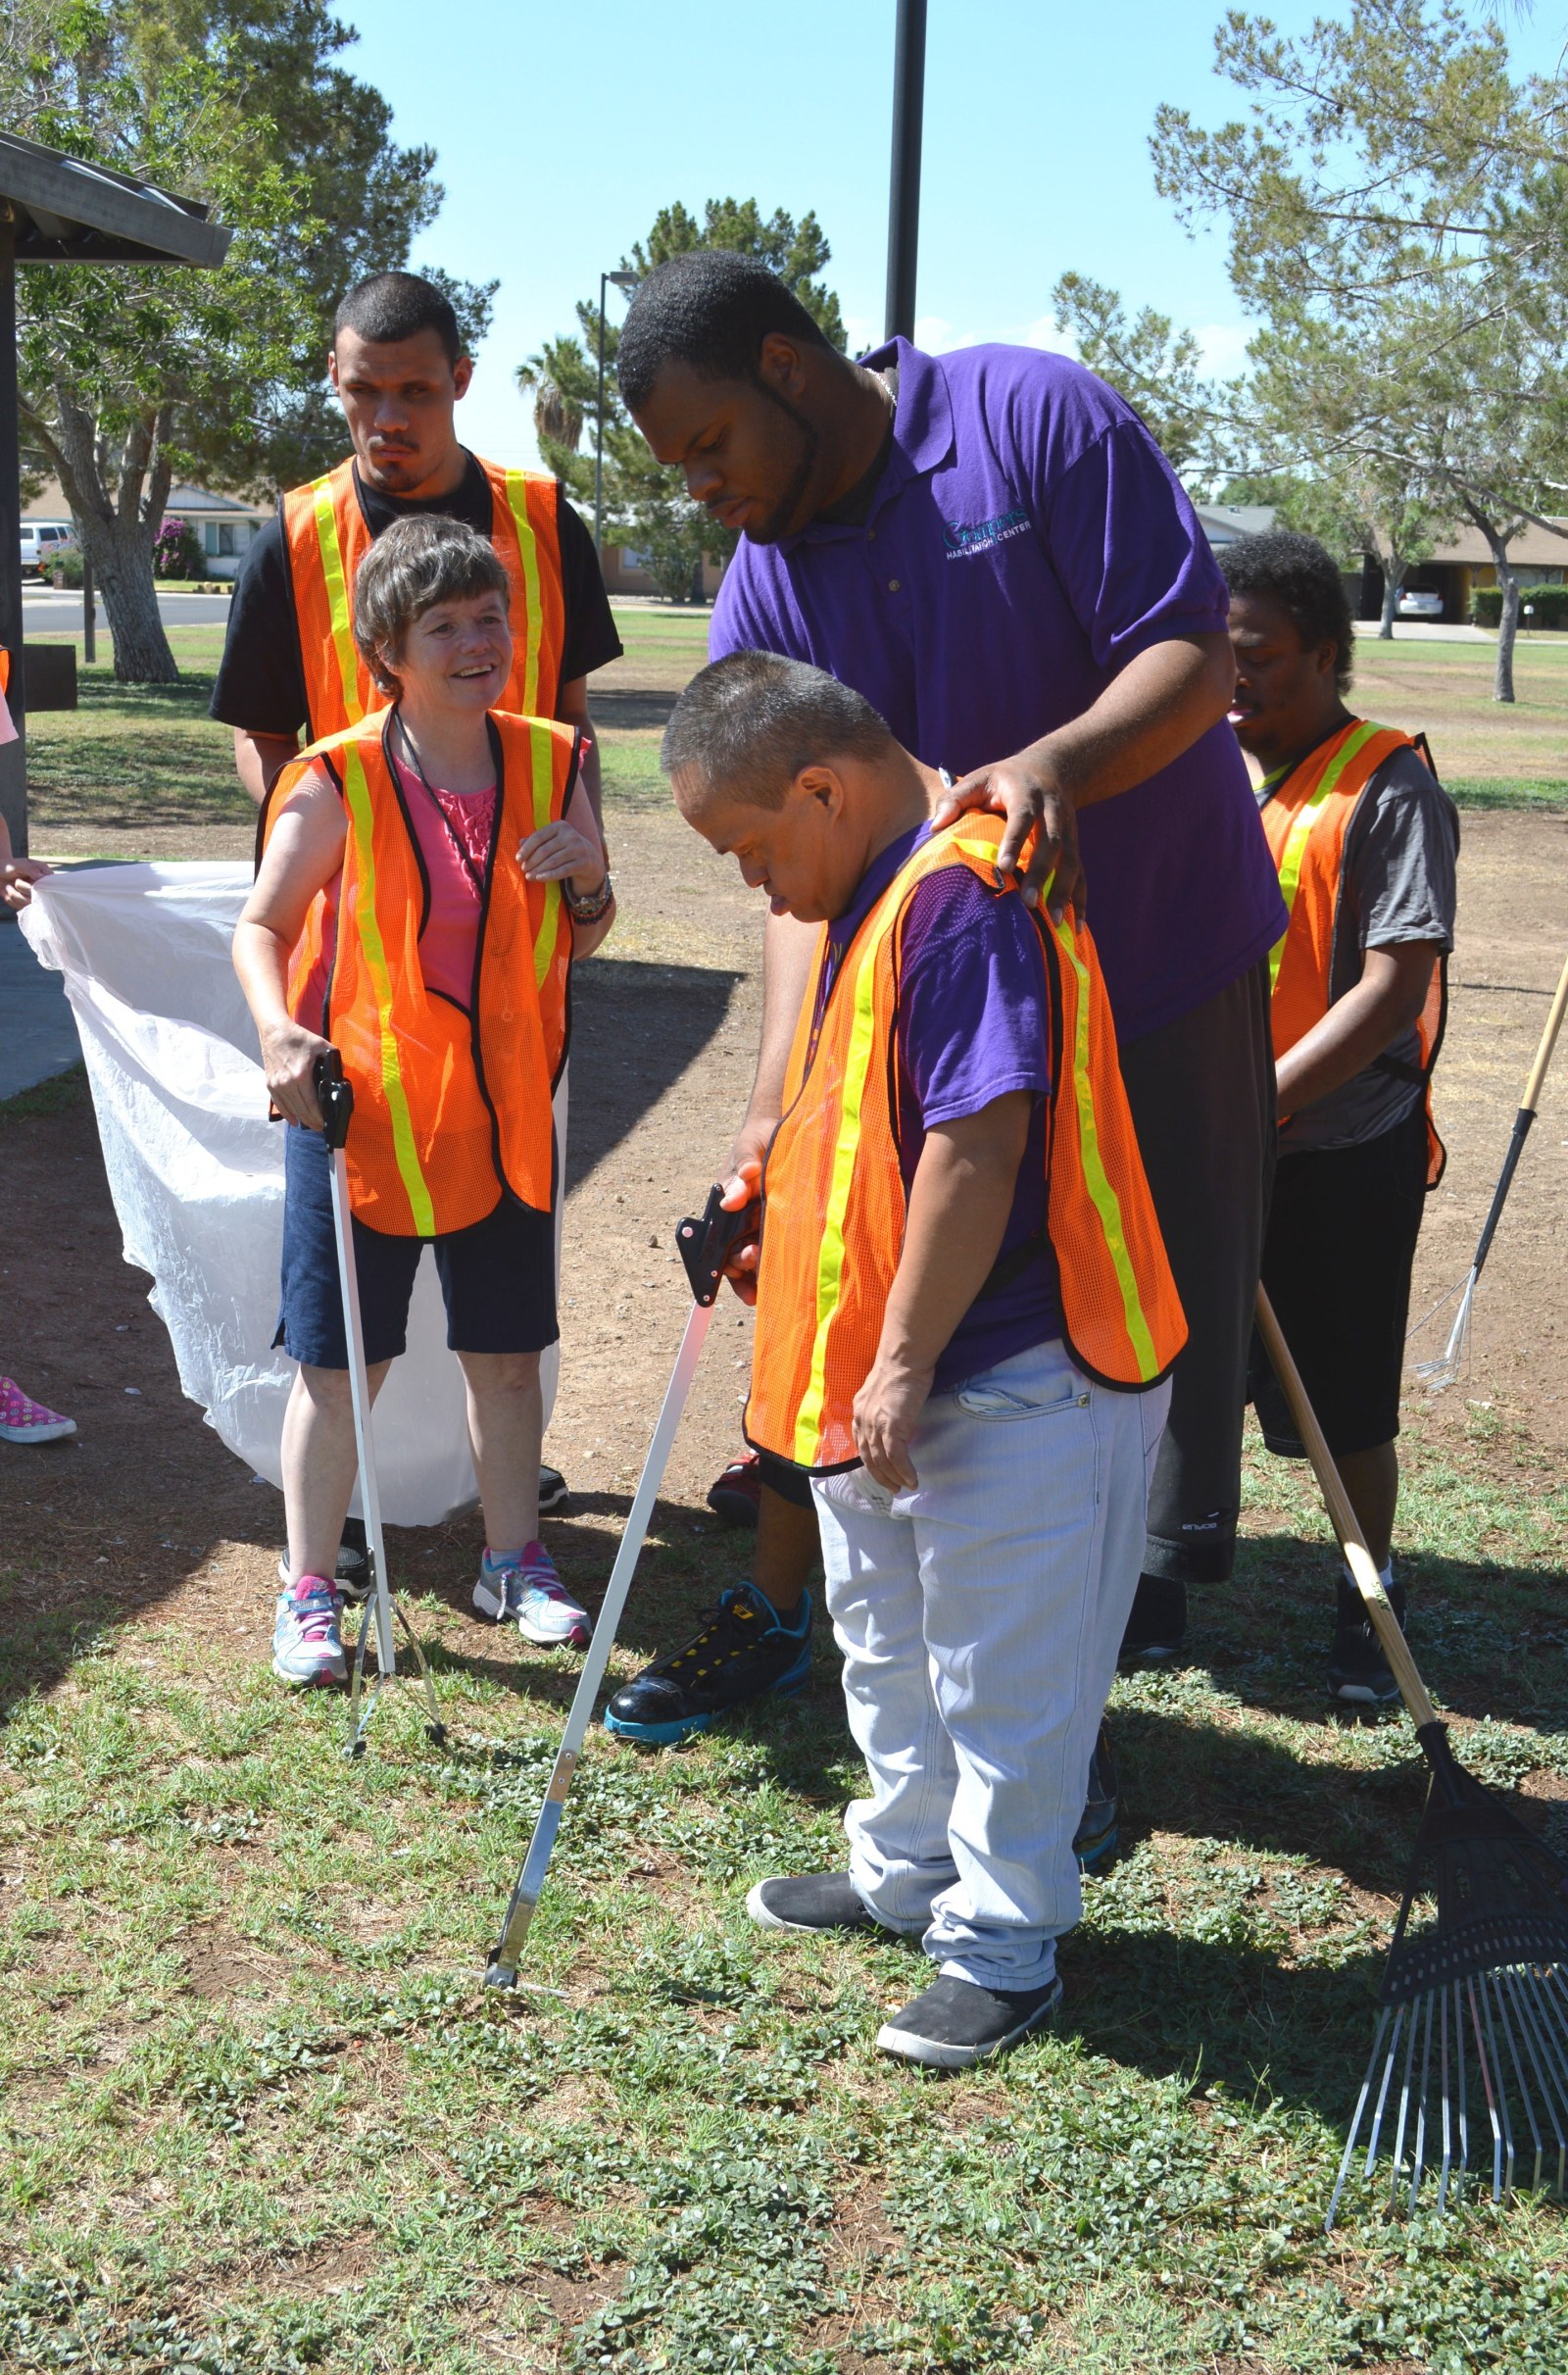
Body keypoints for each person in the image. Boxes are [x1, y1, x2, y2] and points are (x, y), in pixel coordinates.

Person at [605, 252, 1285, 1769]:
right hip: (931, 1015)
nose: (701, 486)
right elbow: (794, 876)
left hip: (1157, 965)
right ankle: (829, 1617)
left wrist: (1055, 764)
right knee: (887, 1296)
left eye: (709, 444)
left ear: (788, 365)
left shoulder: (1028, 417)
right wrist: (776, 1106)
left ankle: (1089, 1658)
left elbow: (1191, 655)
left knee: (1126, 1322)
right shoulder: (760, 585)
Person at [660, 652, 1180, 2067]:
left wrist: (896, 1360)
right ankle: (904, 1870)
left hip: (1016, 1365)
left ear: (822, 788)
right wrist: (772, 1186)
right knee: (888, 1643)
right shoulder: (874, 889)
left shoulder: (958, 895)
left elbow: (979, 1139)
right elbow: (875, 1106)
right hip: (897, 1371)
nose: (756, 888)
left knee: (1005, 1675)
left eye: (754, 849)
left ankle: (1004, 1942)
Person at [213, 270, 621, 1545]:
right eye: (360, 391)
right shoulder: (298, 532)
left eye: (412, 387)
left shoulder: (545, 521)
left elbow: (579, 726)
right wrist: (322, 837)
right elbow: (263, 736)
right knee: (354, 1305)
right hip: (361, 991)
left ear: (459, 379)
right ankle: (319, 1558)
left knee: (504, 1290)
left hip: (513, 980)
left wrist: (586, 851)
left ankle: (509, 1516)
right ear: (336, 386)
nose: (386, 415)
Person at [233, 517, 614, 1687]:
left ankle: (515, 1561)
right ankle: (309, 1588)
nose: (477, 641)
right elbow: (262, 925)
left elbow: (590, 930)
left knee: (506, 1359)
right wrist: (277, 1029)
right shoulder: (338, 774)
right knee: (341, 1370)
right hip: (364, 1125)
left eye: (490, 617)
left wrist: (590, 878)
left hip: (505, 1119)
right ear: (386, 649)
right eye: (443, 625)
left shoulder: (554, 757)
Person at [1222, 532, 1458, 1704]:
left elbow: (1390, 988)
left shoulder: (1389, 782)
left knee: (1345, 1398)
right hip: (1219, 1146)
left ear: (1324, 653)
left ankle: (1367, 1598)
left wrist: (1258, 1105)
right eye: (1218, 656)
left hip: (1341, 1150)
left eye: (1258, 658)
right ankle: (1161, 1581)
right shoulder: (1207, 770)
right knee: (1175, 1373)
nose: (1234, 680)